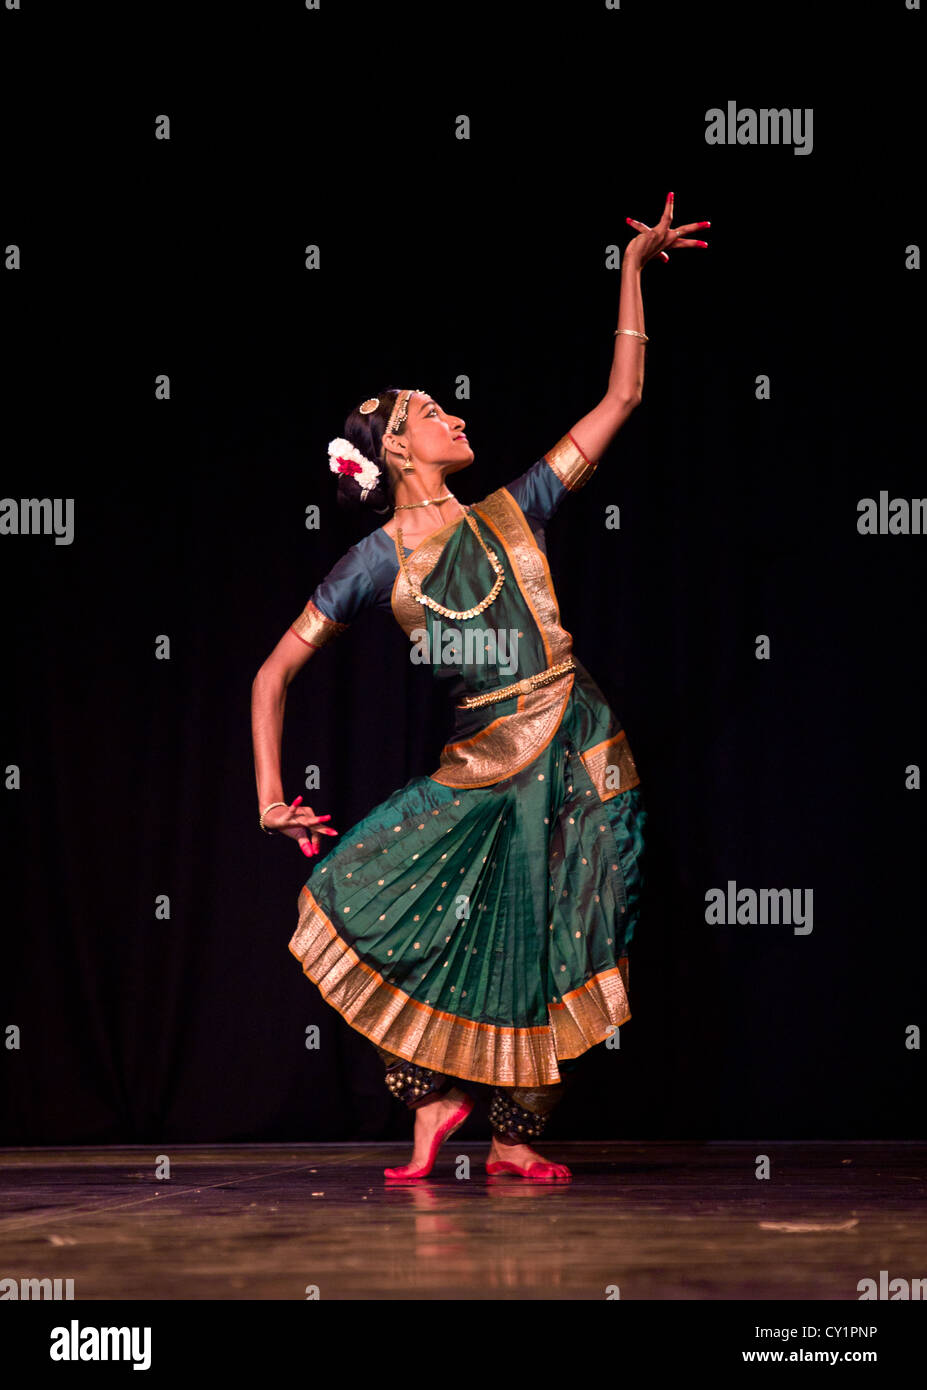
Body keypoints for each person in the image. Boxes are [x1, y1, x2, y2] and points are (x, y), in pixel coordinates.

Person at [251, 193, 709, 1181]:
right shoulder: (372, 562)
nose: (453, 415)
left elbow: (620, 400)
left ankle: (512, 1138)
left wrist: (630, 270)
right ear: (395, 451)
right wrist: (267, 797)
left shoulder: (516, 506)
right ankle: (438, 1100)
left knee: (567, 923)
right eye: (427, 412)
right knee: (364, 894)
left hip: (578, 742)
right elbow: (273, 672)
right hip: (483, 760)